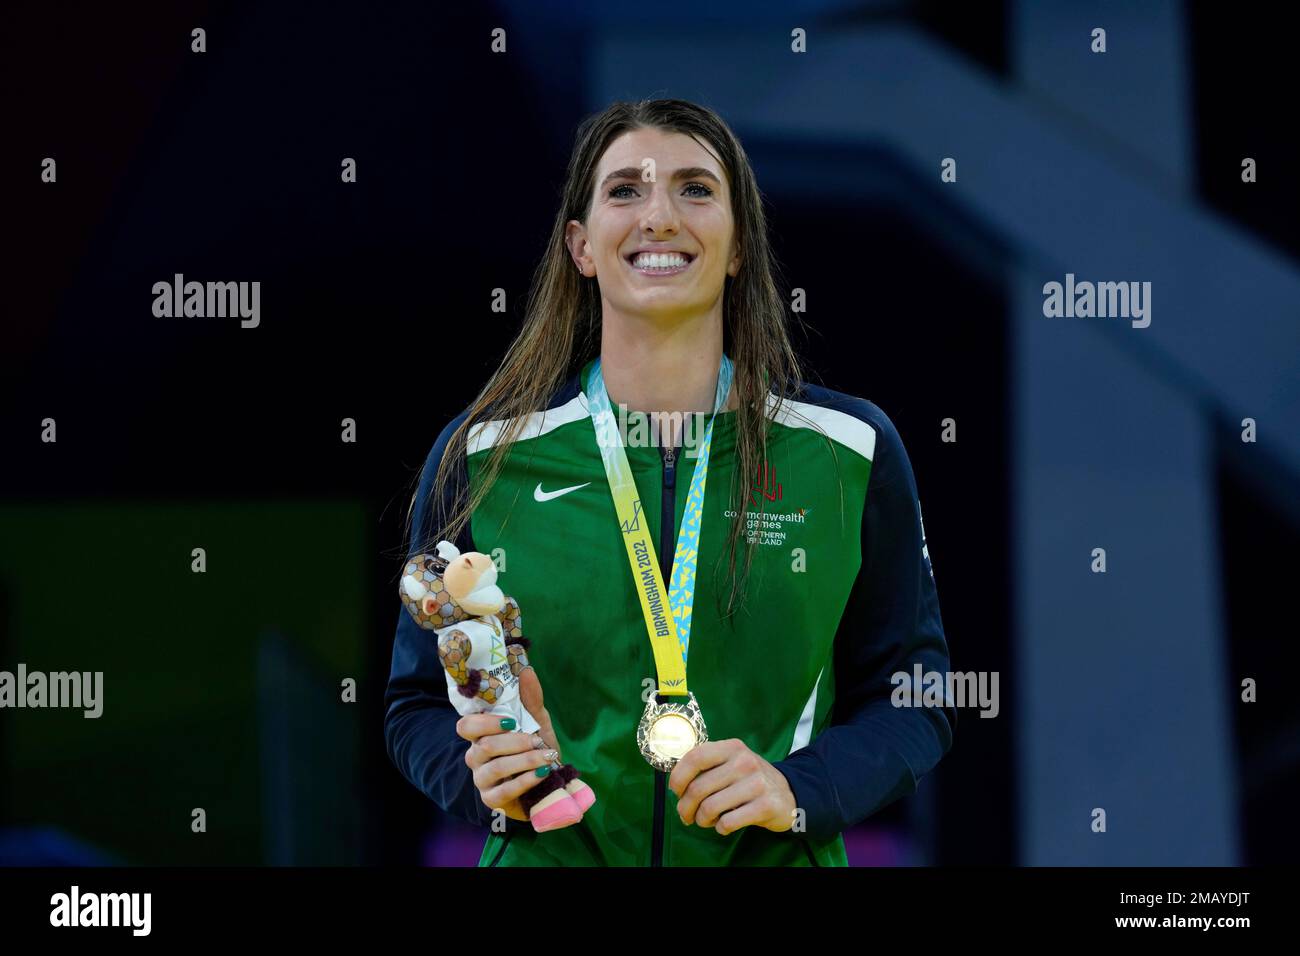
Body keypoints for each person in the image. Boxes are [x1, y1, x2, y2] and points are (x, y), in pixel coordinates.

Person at [384, 98, 954, 866]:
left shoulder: (847, 451)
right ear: (581, 247)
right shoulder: (485, 453)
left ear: (739, 243)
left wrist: (800, 791)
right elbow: (414, 702)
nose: (658, 216)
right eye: (625, 191)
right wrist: (480, 780)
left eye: (694, 188)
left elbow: (913, 696)